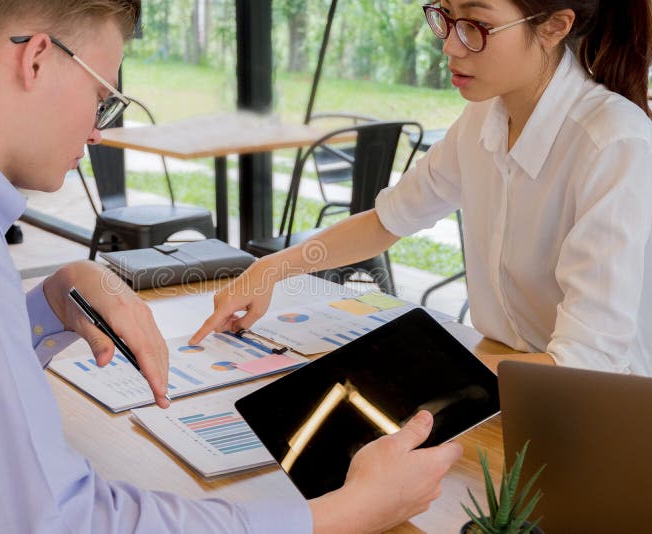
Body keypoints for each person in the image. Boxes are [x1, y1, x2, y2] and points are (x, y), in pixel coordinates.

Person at [0, 1, 463, 532]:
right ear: (36, 58)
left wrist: (51, 298)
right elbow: (63, 520)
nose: (96, 130)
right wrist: (343, 514)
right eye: (103, 96)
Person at [192, 0, 652, 376]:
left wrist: (423, 366)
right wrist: (271, 269)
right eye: (446, 18)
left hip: (594, 416)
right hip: (508, 385)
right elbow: (386, 221)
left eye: (476, 24)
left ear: (554, 27)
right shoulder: (482, 119)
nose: (451, 46)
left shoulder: (613, 143)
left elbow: (585, 363)